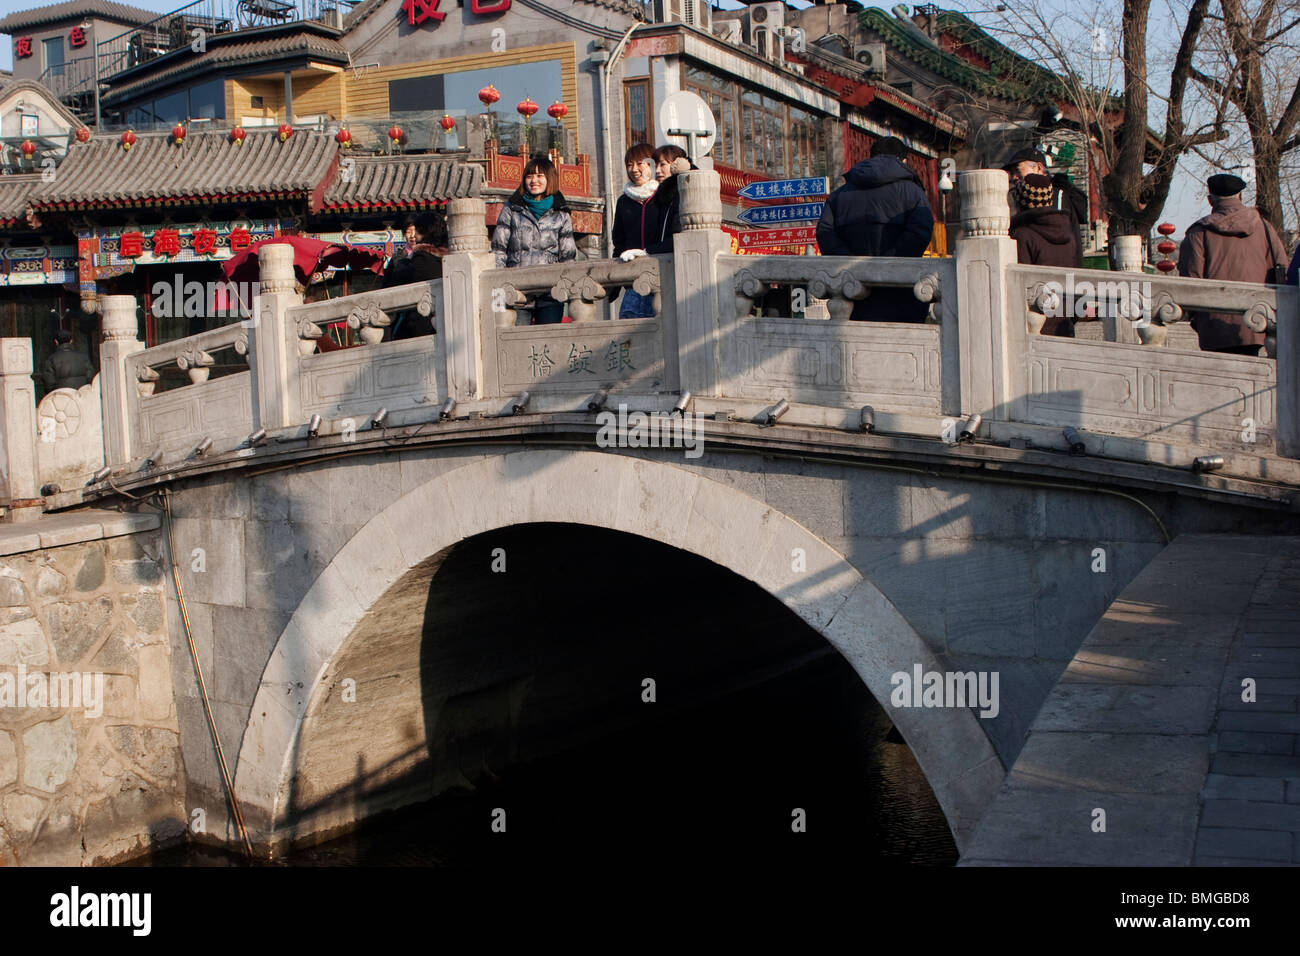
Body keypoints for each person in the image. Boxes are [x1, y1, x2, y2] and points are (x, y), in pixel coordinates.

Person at [815, 136, 934, 321]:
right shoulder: (912, 192)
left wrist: (852, 266)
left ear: (871, 157)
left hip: (852, 293)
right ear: (903, 161)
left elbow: (825, 233)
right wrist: (887, 264)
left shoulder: (840, 195)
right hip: (901, 294)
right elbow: (920, 232)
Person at [1177, 173, 1289, 354]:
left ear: (1210, 200)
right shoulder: (1264, 227)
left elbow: (1191, 278)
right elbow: (1280, 268)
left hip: (1214, 327)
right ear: (1241, 196)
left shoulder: (1199, 233)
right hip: (1259, 324)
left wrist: (1197, 319)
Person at [491, 155, 577, 324]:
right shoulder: (512, 209)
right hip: (516, 291)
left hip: (550, 291)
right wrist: (499, 287)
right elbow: (498, 250)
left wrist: (568, 290)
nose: (534, 181)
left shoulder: (561, 213)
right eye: (529, 176)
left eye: (539, 176)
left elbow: (568, 256)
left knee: (547, 343)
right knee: (514, 343)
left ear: (549, 179)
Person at [1009, 173, 1082, 336]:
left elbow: (1020, 286)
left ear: (1022, 201)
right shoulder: (1067, 231)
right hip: (1063, 321)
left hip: (1035, 324)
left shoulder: (1022, 235)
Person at [612, 143, 669, 318]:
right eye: (629, 165)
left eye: (639, 164)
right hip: (633, 281)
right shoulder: (624, 201)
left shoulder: (663, 196)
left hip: (661, 276)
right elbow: (618, 241)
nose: (634, 169)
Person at [382, 210, 446, 339]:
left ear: (424, 232)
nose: (413, 236)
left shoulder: (420, 261)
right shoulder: (448, 257)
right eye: (409, 231)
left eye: (415, 230)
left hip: (419, 325)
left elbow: (395, 279)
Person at [1002, 147, 1088, 227]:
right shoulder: (1020, 197)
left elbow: (1056, 233)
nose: (1014, 177)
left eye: (1018, 170)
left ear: (1039, 168)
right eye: (1012, 173)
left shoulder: (1055, 195)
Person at [649, 144, 695, 254]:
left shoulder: (683, 194)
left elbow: (678, 234)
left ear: (677, 164)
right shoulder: (662, 196)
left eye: (662, 165)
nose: (657, 171)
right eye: (655, 166)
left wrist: (650, 250)